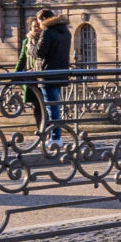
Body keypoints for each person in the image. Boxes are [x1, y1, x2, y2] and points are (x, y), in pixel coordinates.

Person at [33, 9, 72, 143]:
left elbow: (40, 53)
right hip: (61, 73)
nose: (38, 25)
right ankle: (56, 136)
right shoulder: (66, 32)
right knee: (54, 105)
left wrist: (31, 46)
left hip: (48, 74)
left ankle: (56, 137)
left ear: (43, 18)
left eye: (39, 21)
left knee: (51, 107)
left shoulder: (47, 32)